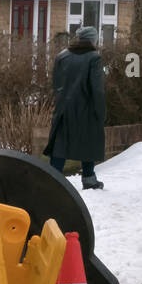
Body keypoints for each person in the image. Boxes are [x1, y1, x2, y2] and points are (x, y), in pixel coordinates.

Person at [45, 25, 106, 190]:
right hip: (86, 108)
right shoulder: (94, 58)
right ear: (92, 40)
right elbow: (97, 89)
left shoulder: (62, 56)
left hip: (64, 108)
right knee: (89, 141)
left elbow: (56, 84)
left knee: (60, 145)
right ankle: (89, 179)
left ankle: (53, 179)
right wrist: (100, 111)